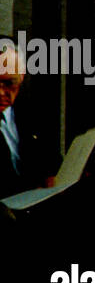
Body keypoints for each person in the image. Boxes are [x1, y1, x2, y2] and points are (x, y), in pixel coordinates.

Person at [0, 35, 59, 199]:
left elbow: (51, 161)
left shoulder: (33, 112)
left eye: (9, 83)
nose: (1, 93)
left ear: (21, 77)